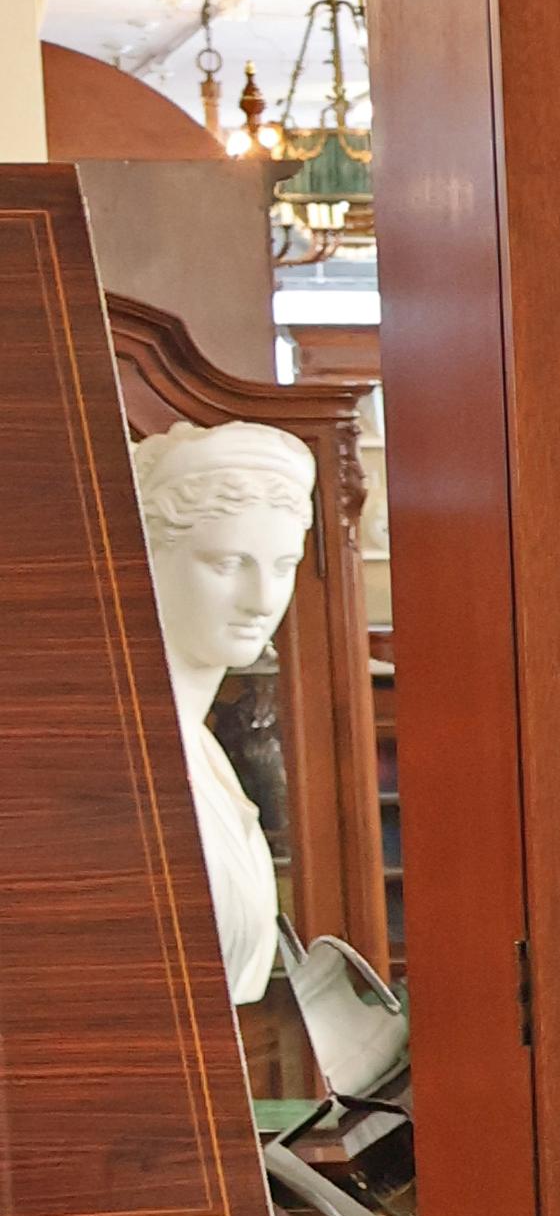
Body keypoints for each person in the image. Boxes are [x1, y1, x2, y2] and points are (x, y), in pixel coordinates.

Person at [129, 417, 316, 1006]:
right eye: (228, 563)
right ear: (147, 557)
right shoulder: (121, 760)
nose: (263, 600)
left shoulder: (202, 749)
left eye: (283, 566)